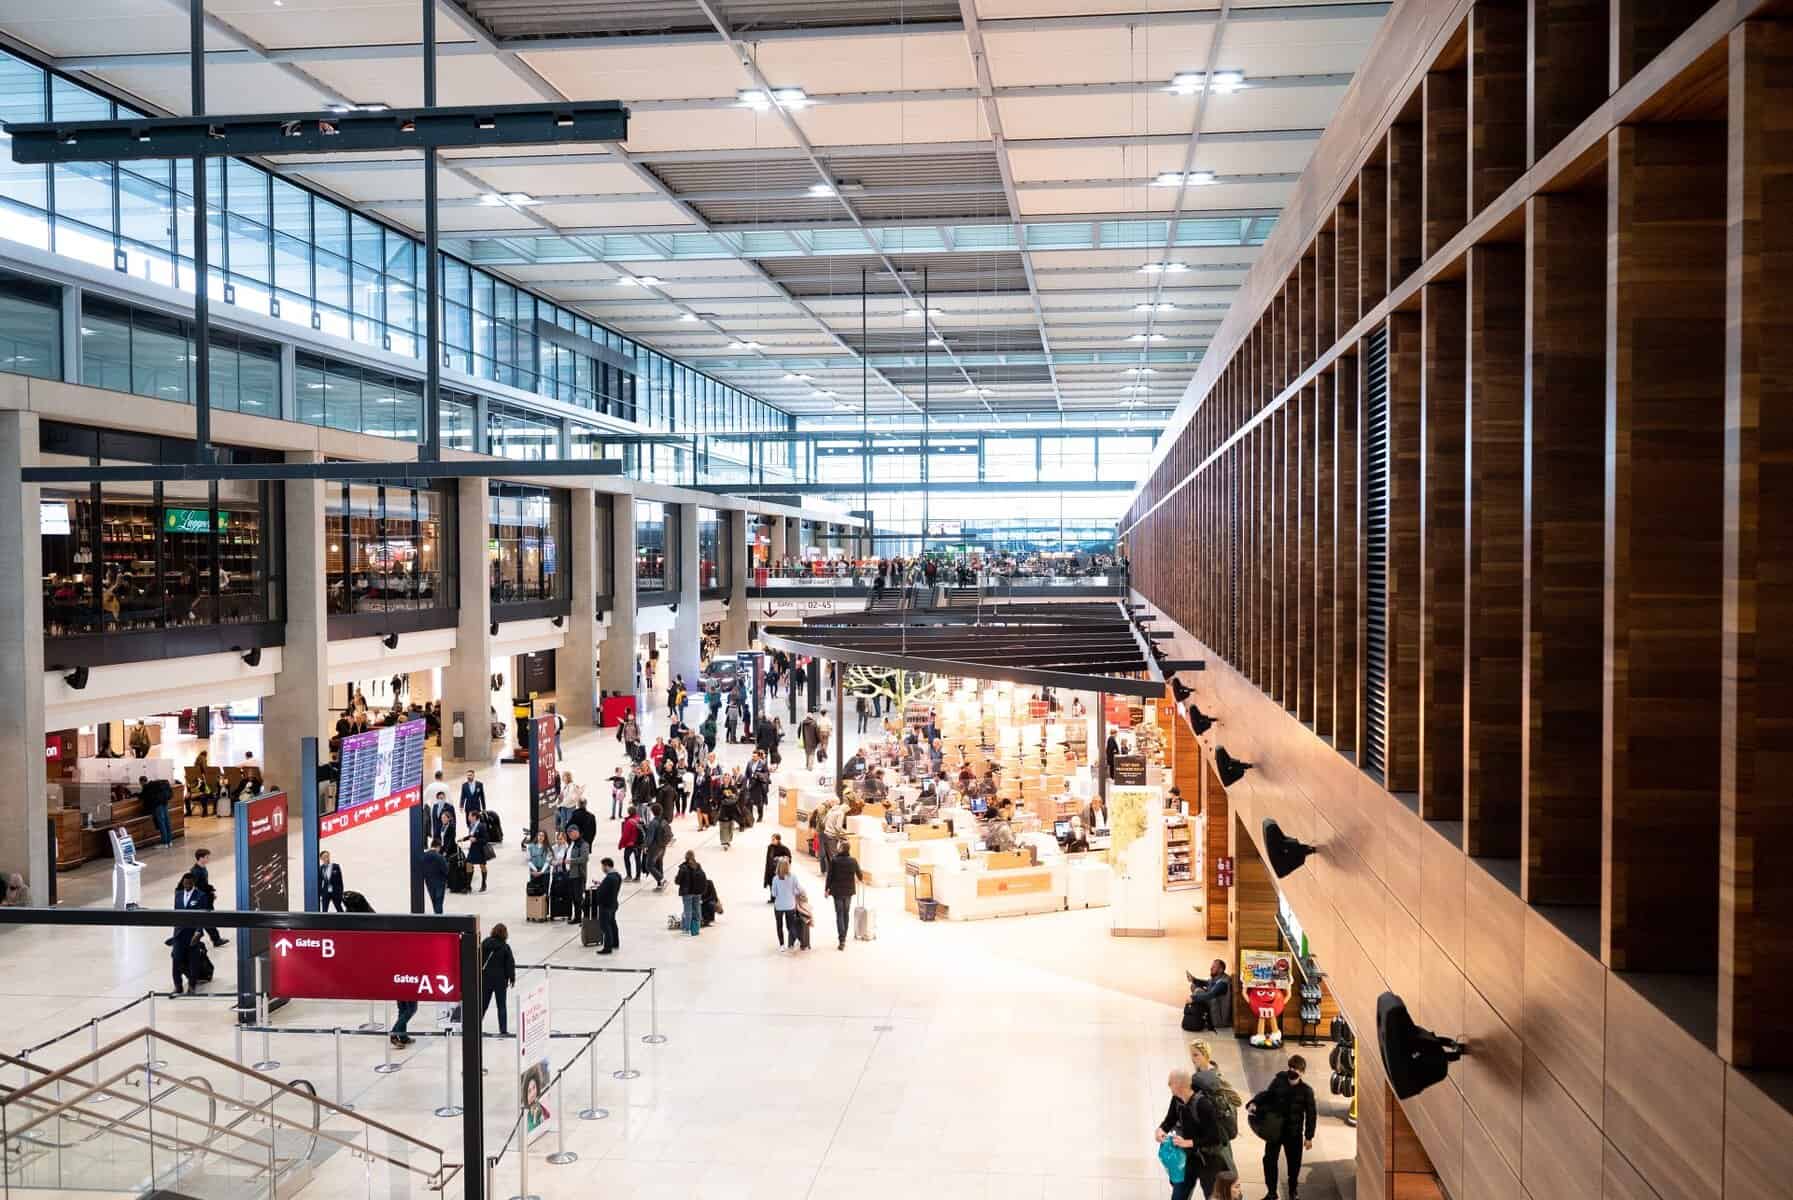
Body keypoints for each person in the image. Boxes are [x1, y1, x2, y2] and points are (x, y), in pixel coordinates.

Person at [1250, 1056, 1316, 1200]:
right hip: (1275, 1131)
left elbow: (1311, 1115)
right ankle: (1272, 1193)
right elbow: (1267, 1095)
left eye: (1296, 1069)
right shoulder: (1279, 1081)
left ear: (1302, 1072)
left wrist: (1309, 1136)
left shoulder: (1306, 1091)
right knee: (1269, 1161)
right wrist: (1254, 1102)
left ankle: (1293, 1191)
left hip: (1294, 1134)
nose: (1292, 1071)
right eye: (1291, 1067)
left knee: (1294, 1165)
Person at [1156, 1069, 1220, 1200]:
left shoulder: (1203, 1105)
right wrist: (1161, 1129)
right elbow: (1170, 1119)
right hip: (1188, 1158)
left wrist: (1188, 1142)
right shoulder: (1177, 1099)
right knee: (1179, 1194)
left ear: (1180, 1084)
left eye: (1171, 1082)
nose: (1168, 1084)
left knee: (1212, 1195)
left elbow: (1215, 1137)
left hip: (1207, 1159)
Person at [479, 923, 517, 1035]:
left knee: (483, 1005)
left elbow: (477, 958)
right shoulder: (505, 947)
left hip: (485, 979)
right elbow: (510, 964)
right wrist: (512, 978)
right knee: (501, 1005)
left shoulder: (485, 943)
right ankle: (503, 1030)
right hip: (500, 981)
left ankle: (476, 1027)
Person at [171, 873, 207, 993]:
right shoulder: (178, 895)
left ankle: (192, 985)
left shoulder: (201, 896)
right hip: (179, 934)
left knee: (193, 961)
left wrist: (198, 932)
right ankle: (178, 985)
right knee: (176, 960)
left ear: (193, 883)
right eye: (184, 882)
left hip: (192, 935)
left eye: (189, 883)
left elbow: (203, 916)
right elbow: (175, 914)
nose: (186, 885)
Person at [824, 843, 863, 951]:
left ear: (841, 849)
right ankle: (844, 935)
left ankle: (842, 939)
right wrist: (859, 877)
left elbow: (829, 876)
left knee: (839, 914)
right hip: (849, 891)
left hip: (837, 892)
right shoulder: (853, 860)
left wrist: (826, 890)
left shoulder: (834, 861)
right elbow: (860, 875)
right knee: (846, 913)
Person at [188, 848, 227, 947]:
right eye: (206, 857)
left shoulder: (203, 868)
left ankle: (209, 938)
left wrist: (211, 892)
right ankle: (215, 939)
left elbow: (205, 884)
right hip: (201, 899)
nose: (208, 859)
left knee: (206, 919)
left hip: (206, 897)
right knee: (207, 919)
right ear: (200, 858)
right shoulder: (195, 871)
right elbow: (195, 886)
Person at [1188, 959, 1234, 1032]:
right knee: (1194, 986)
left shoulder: (1223, 982)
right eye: (1211, 966)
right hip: (1214, 1008)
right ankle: (1199, 1015)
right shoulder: (1217, 978)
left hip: (1219, 1020)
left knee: (1198, 992)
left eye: (1214, 967)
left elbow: (1210, 995)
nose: (1211, 968)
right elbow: (1207, 983)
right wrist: (1194, 980)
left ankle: (1199, 1018)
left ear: (1221, 970)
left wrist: (1193, 998)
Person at [593, 857, 623, 954]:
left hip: (606, 905)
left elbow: (602, 892)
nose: (602, 869)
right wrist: (601, 884)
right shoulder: (617, 876)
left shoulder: (609, 878)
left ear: (606, 866)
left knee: (605, 926)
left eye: (602, 866)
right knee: (612, 924)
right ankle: (615, 942)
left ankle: (607, 947)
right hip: (613, 903)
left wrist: (599, 890)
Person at [674, 850, 706, 937]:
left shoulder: (684, 867)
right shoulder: (698, 866)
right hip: (697, 893)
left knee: (688, 911)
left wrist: (677, 878)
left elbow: (677, 881)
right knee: (697, 910)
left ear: (686, 857)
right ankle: (695, 929)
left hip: (687, 893)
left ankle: (686, 929)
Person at [463, 809, 494, 892]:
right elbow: (471, 835)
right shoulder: (471, 825)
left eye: (470, 815)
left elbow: (486, 839)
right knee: (468, 864)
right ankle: (468, 885)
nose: (468, 817)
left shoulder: (482, 826)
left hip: (480, 849)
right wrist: (464, 839)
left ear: (474, 817)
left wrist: (476, 840)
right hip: (473, 848)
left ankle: (484, 884)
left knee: (482, 865)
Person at [564, 826, 590, 923]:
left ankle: (585, 915)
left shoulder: (583, 844)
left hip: (578, 875)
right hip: (570, 874)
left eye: (571, 833)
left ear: (577, 832)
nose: (570, 836)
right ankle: (577, 917)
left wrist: (571, 861)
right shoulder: (572, 844)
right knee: (574, 897)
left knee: (578, 897)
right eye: (569, 834)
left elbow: (584, 858)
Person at [139, 774, 173, 847]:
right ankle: (169, 841)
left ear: (142, 782)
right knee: (167, 822)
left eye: (140, 783)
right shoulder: (155, 785)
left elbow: (144, 798)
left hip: (158, 806)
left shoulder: (147, 787)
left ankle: (164, 843)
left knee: (161, 823)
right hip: (165, 803)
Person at [420, 839, 449, 914]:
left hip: (429, 881)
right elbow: (446, 870)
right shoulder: (440, 857)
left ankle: (436, 916)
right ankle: (439, 919)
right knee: (439, 901)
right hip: (440, 882)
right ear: (438, 847)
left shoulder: (424, 855)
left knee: (433, 900)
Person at [762, 833, 791, 904]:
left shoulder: (784, 848)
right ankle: (772, 898)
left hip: (779, 871)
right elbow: (768, 859)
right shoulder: (770, 847)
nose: (772, 841)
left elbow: (789, 859)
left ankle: (779, 898)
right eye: (771, 839)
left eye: (773, 839)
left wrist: (779, 858)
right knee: (771, 883)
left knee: (779, 884)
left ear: (778, 840)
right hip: (771, 869)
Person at [619, 808, 643, 881]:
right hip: (639, 843)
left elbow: (625, 835)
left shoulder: (629, 822)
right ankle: (638, 876)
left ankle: (629, 875)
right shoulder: (639, 819)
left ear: (629, 813)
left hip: (631, 844)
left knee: (626, 858)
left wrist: (620, 844)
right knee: (638, 859)